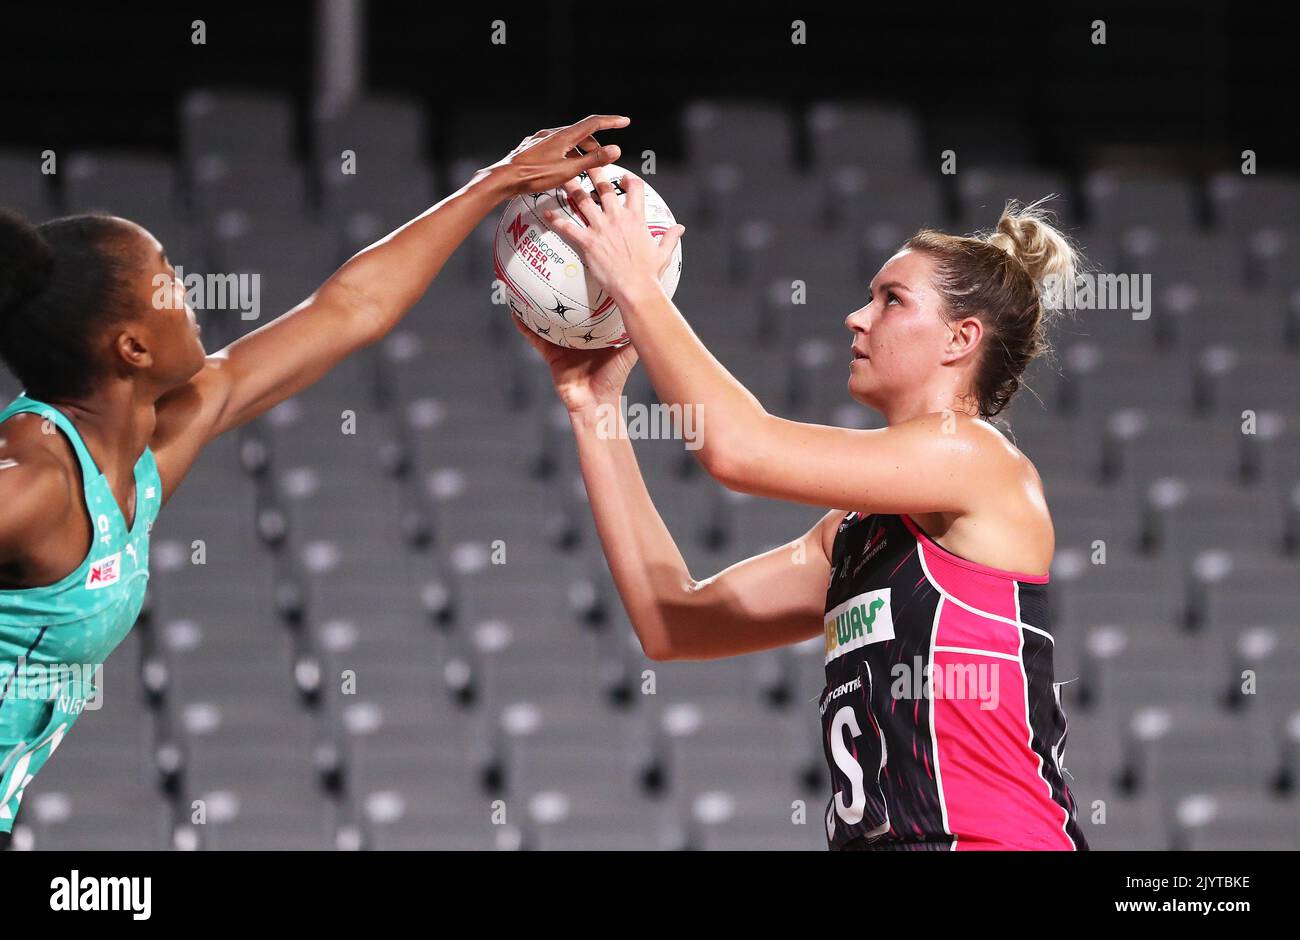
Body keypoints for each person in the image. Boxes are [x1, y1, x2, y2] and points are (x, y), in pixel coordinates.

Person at [0, 114, 631, 848]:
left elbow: (348, 310)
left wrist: (499, 180)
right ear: (132, 346)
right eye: (165, 279)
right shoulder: (35, 484)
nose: (185, 284)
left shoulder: (153, 439)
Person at [516, 159, 1088, 850]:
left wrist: (636, 286)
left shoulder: (978, 461)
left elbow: (740, 450)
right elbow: (675, 624)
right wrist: (595, 408)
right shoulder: (851, 536)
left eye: (891, 299)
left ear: (961, 338)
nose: (856, 316)